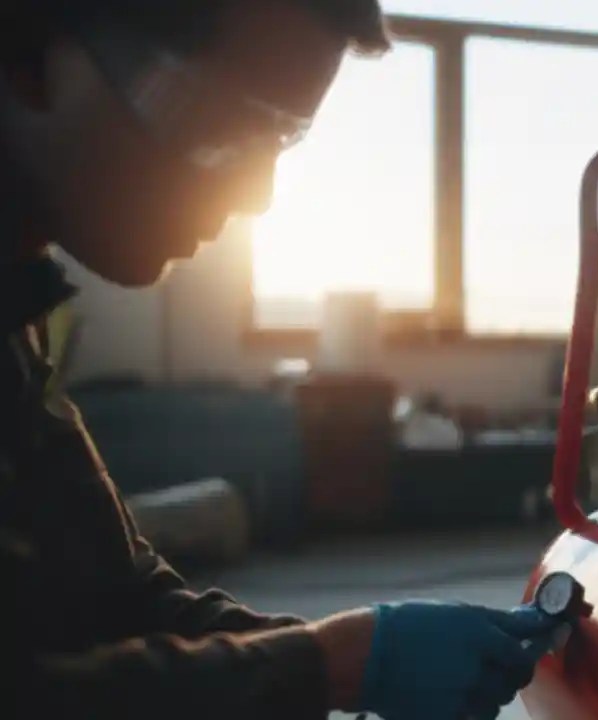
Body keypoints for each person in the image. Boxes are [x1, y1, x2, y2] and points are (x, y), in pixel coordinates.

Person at [0, 1, 565, 718]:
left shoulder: (19, 296)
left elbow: (117, 592)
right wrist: (326, 665)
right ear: (33, 47)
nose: (259, 195)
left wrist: (337, 651)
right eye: (221, 127)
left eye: (281, 138)